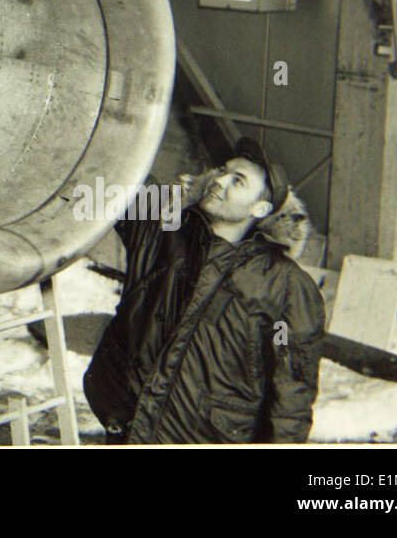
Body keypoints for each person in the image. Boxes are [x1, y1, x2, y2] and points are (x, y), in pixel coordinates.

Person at [83, 138, 326, 444]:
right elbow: (118, 173)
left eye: (237, 181)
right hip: (129, 428)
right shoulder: (164, 232)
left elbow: (292, 392)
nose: (219, 180)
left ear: (260, 208)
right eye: (223, 171)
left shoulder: (286, 286)